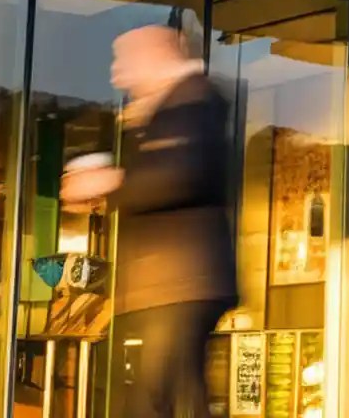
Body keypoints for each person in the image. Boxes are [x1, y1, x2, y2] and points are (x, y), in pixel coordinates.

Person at [61, 24, 237, 417]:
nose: (117, 74)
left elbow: (180, 175)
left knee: (153, 397)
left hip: (180, 280)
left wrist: (108, 180)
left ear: (156, 55)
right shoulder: (174, 105)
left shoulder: (193, 100)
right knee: (180, 396)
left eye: (124, 60)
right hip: (172, 283)